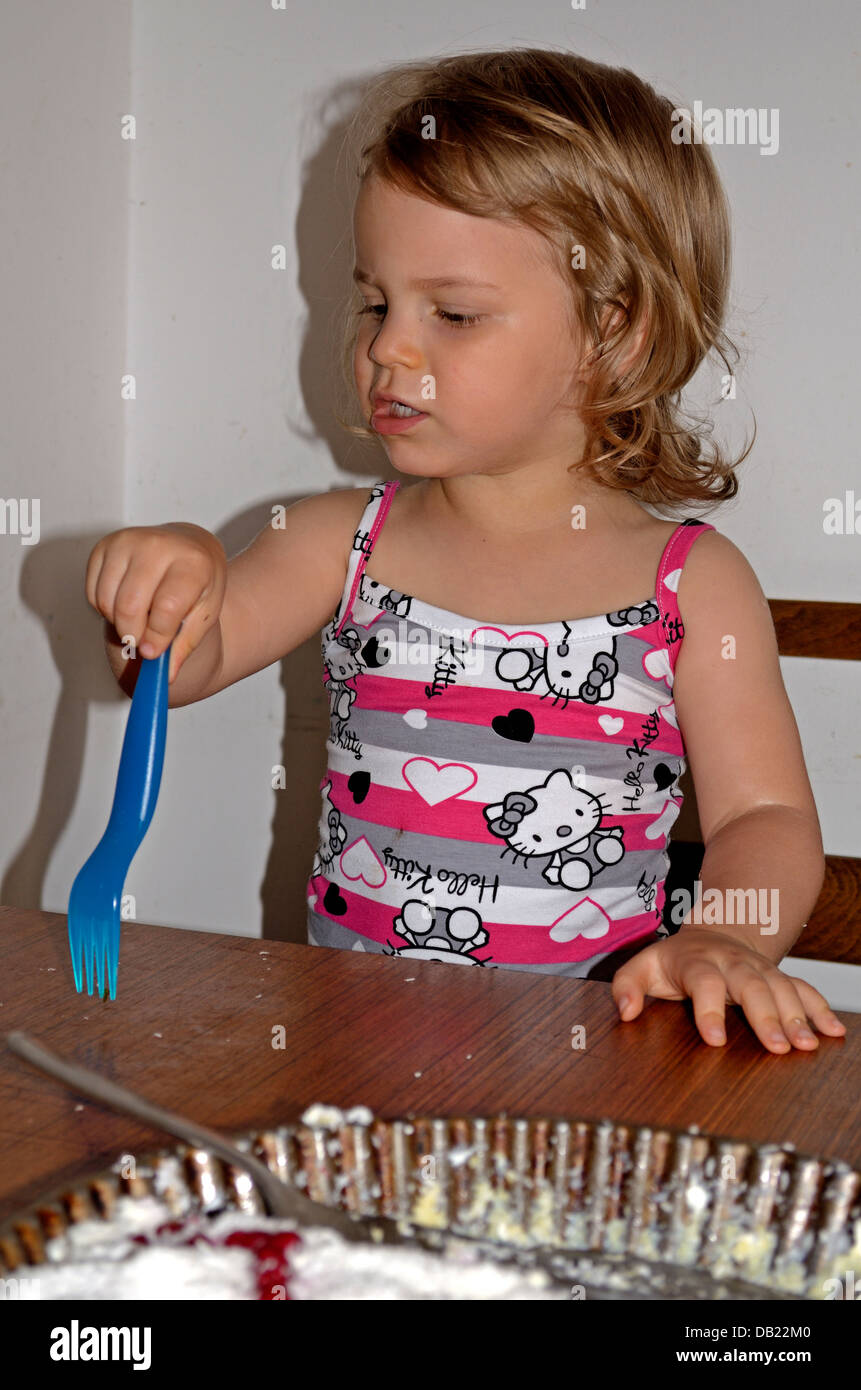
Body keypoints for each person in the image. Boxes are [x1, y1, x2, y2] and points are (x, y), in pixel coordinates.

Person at [86, 48, 845, 1055]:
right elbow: (177, 668)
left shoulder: (691, 584)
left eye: (451, 314)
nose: (387, 348)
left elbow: (765, 815)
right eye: (376, 303)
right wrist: (170, 584)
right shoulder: (339, 540)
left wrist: (723, 938)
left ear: (612, 334)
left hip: (589, 1071)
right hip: (349, 1064)